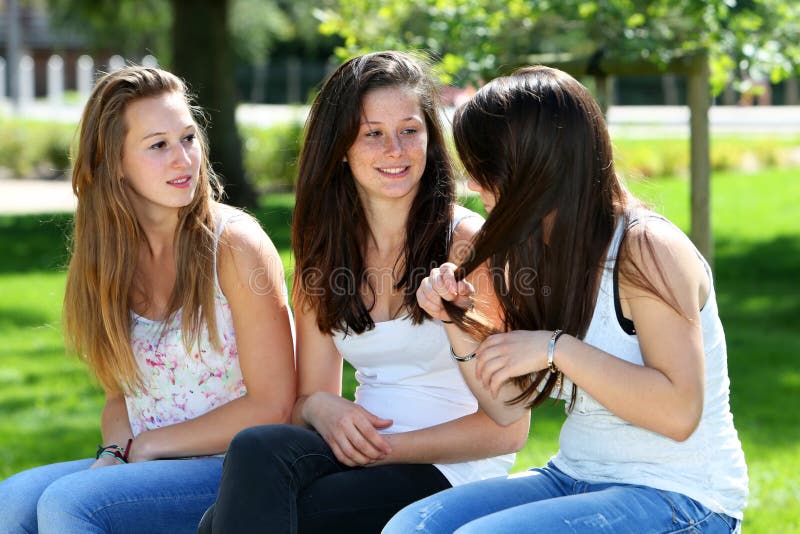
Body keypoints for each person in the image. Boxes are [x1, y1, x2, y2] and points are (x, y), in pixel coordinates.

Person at [384, 65, 748, 533]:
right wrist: (456, 319)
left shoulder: (646, 249)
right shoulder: (534, 249)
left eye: (484, 168)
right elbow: (506, 408)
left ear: (536, 166)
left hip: (684, 496)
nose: (473, 186)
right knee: (411, 527)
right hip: (575, 476)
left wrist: (557, 348)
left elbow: (679, 413)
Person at [199, 51, 529, 533]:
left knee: (235, 523)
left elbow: (508, 429)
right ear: (341, 148)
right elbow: (307, 397)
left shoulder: (464, 245)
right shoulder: (324, 250)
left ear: (430, 140)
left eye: (410, 130)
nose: (395, 149)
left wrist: (383, 451)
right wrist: (319, 406)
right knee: (257, 447)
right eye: (373, 133)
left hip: (451, 467)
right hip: (362, 450)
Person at [0, 66, 295, 533]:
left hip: (240, 469)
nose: (184, 159)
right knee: (11, 499)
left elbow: (273, 405)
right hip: (148, 461)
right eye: (158, 145)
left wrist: (152, 445)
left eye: (188, 138)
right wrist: (118, 453)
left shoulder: (235, 246)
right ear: (115, 161)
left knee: (70, 505)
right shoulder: (109, 258)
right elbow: (119, 399)